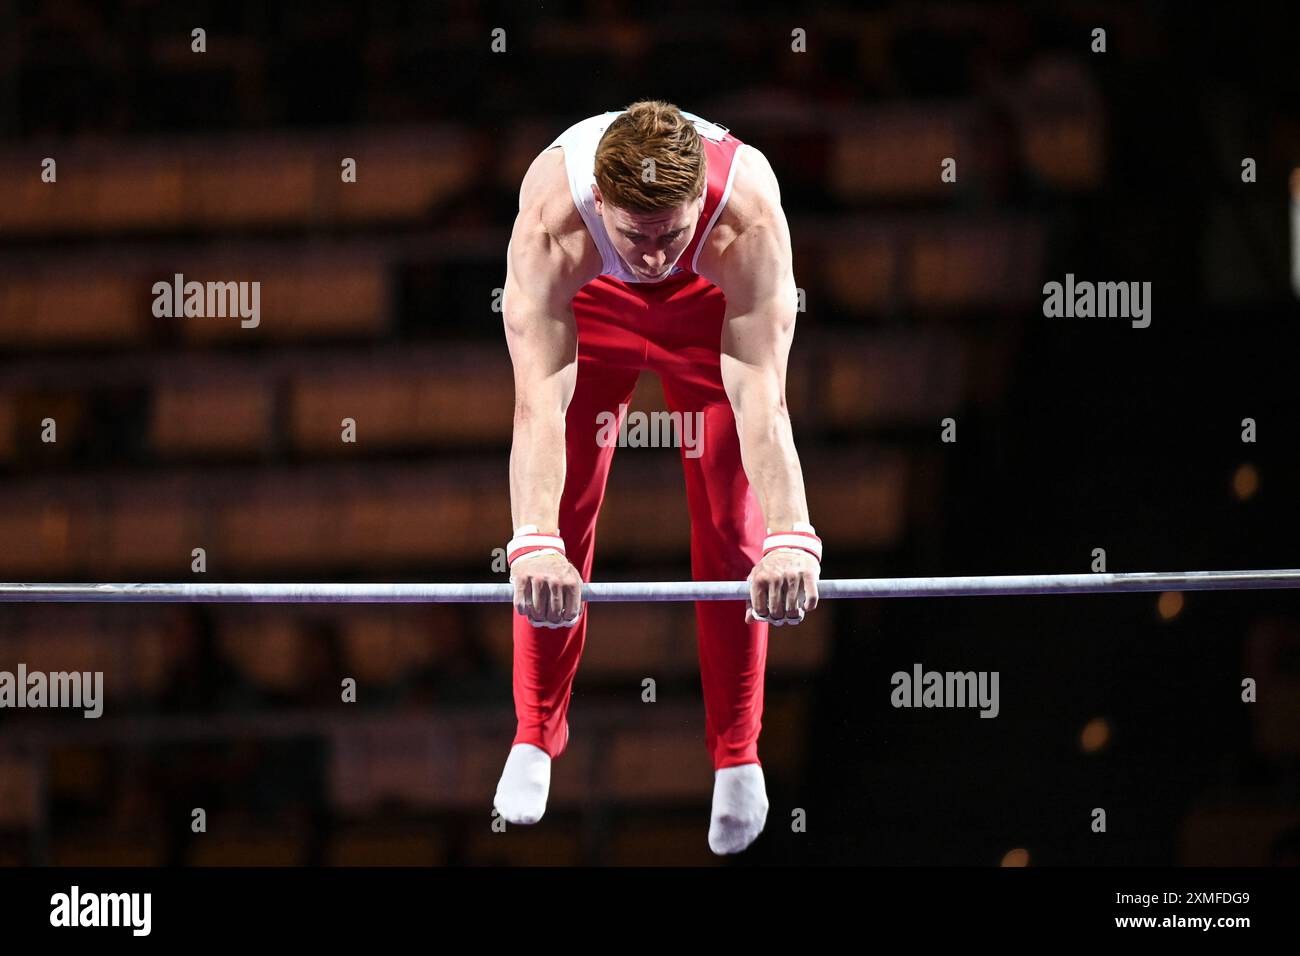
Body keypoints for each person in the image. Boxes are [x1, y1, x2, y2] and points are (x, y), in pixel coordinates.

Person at [496, 100, 821, 855]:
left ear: (698, 205)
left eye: (669, 232)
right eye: (636, 236)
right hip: (591, 304)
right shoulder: (552, 226)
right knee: (557, 518)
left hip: (705, 304)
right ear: (599, 202)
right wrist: (534, 542)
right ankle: (535, 732)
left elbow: (763, 405)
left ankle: (738, 754)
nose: (650, 257)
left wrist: (794, 534)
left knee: (734, 521)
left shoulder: (747, 223)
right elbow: (535, 407)